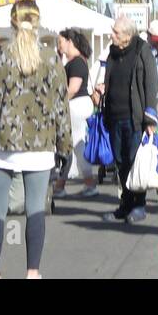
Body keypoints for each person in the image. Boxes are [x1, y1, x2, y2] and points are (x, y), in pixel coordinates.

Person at [0, 0, 72, 278]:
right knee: (35, 209)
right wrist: (65, 146)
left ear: (12, 22)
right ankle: (32, 272)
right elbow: (61, 106)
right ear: (37, 22)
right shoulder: (51, 58)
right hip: (39, 145)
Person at [92, 15, 158, 223]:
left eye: (116, 32)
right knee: (120, 163)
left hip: (135, 118)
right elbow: (110, 77)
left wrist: (150, 118)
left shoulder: (142, 50)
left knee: (133, 161)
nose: (112, 35)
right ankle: (125, 204)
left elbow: (151, 84)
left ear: (128, 36)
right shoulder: (112, 53)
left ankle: (138, 205)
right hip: (114, 116)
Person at [55, 28, 99, 197]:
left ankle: (81, 183)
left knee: (74, 146)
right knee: (74, 146)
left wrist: (58, 101)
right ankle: (64, 184)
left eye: (60, 42)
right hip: (79, 105)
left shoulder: (76, 63)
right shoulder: (78, 61)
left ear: (69, 42)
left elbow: (72, 88)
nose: (59, 46)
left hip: (76, 106)